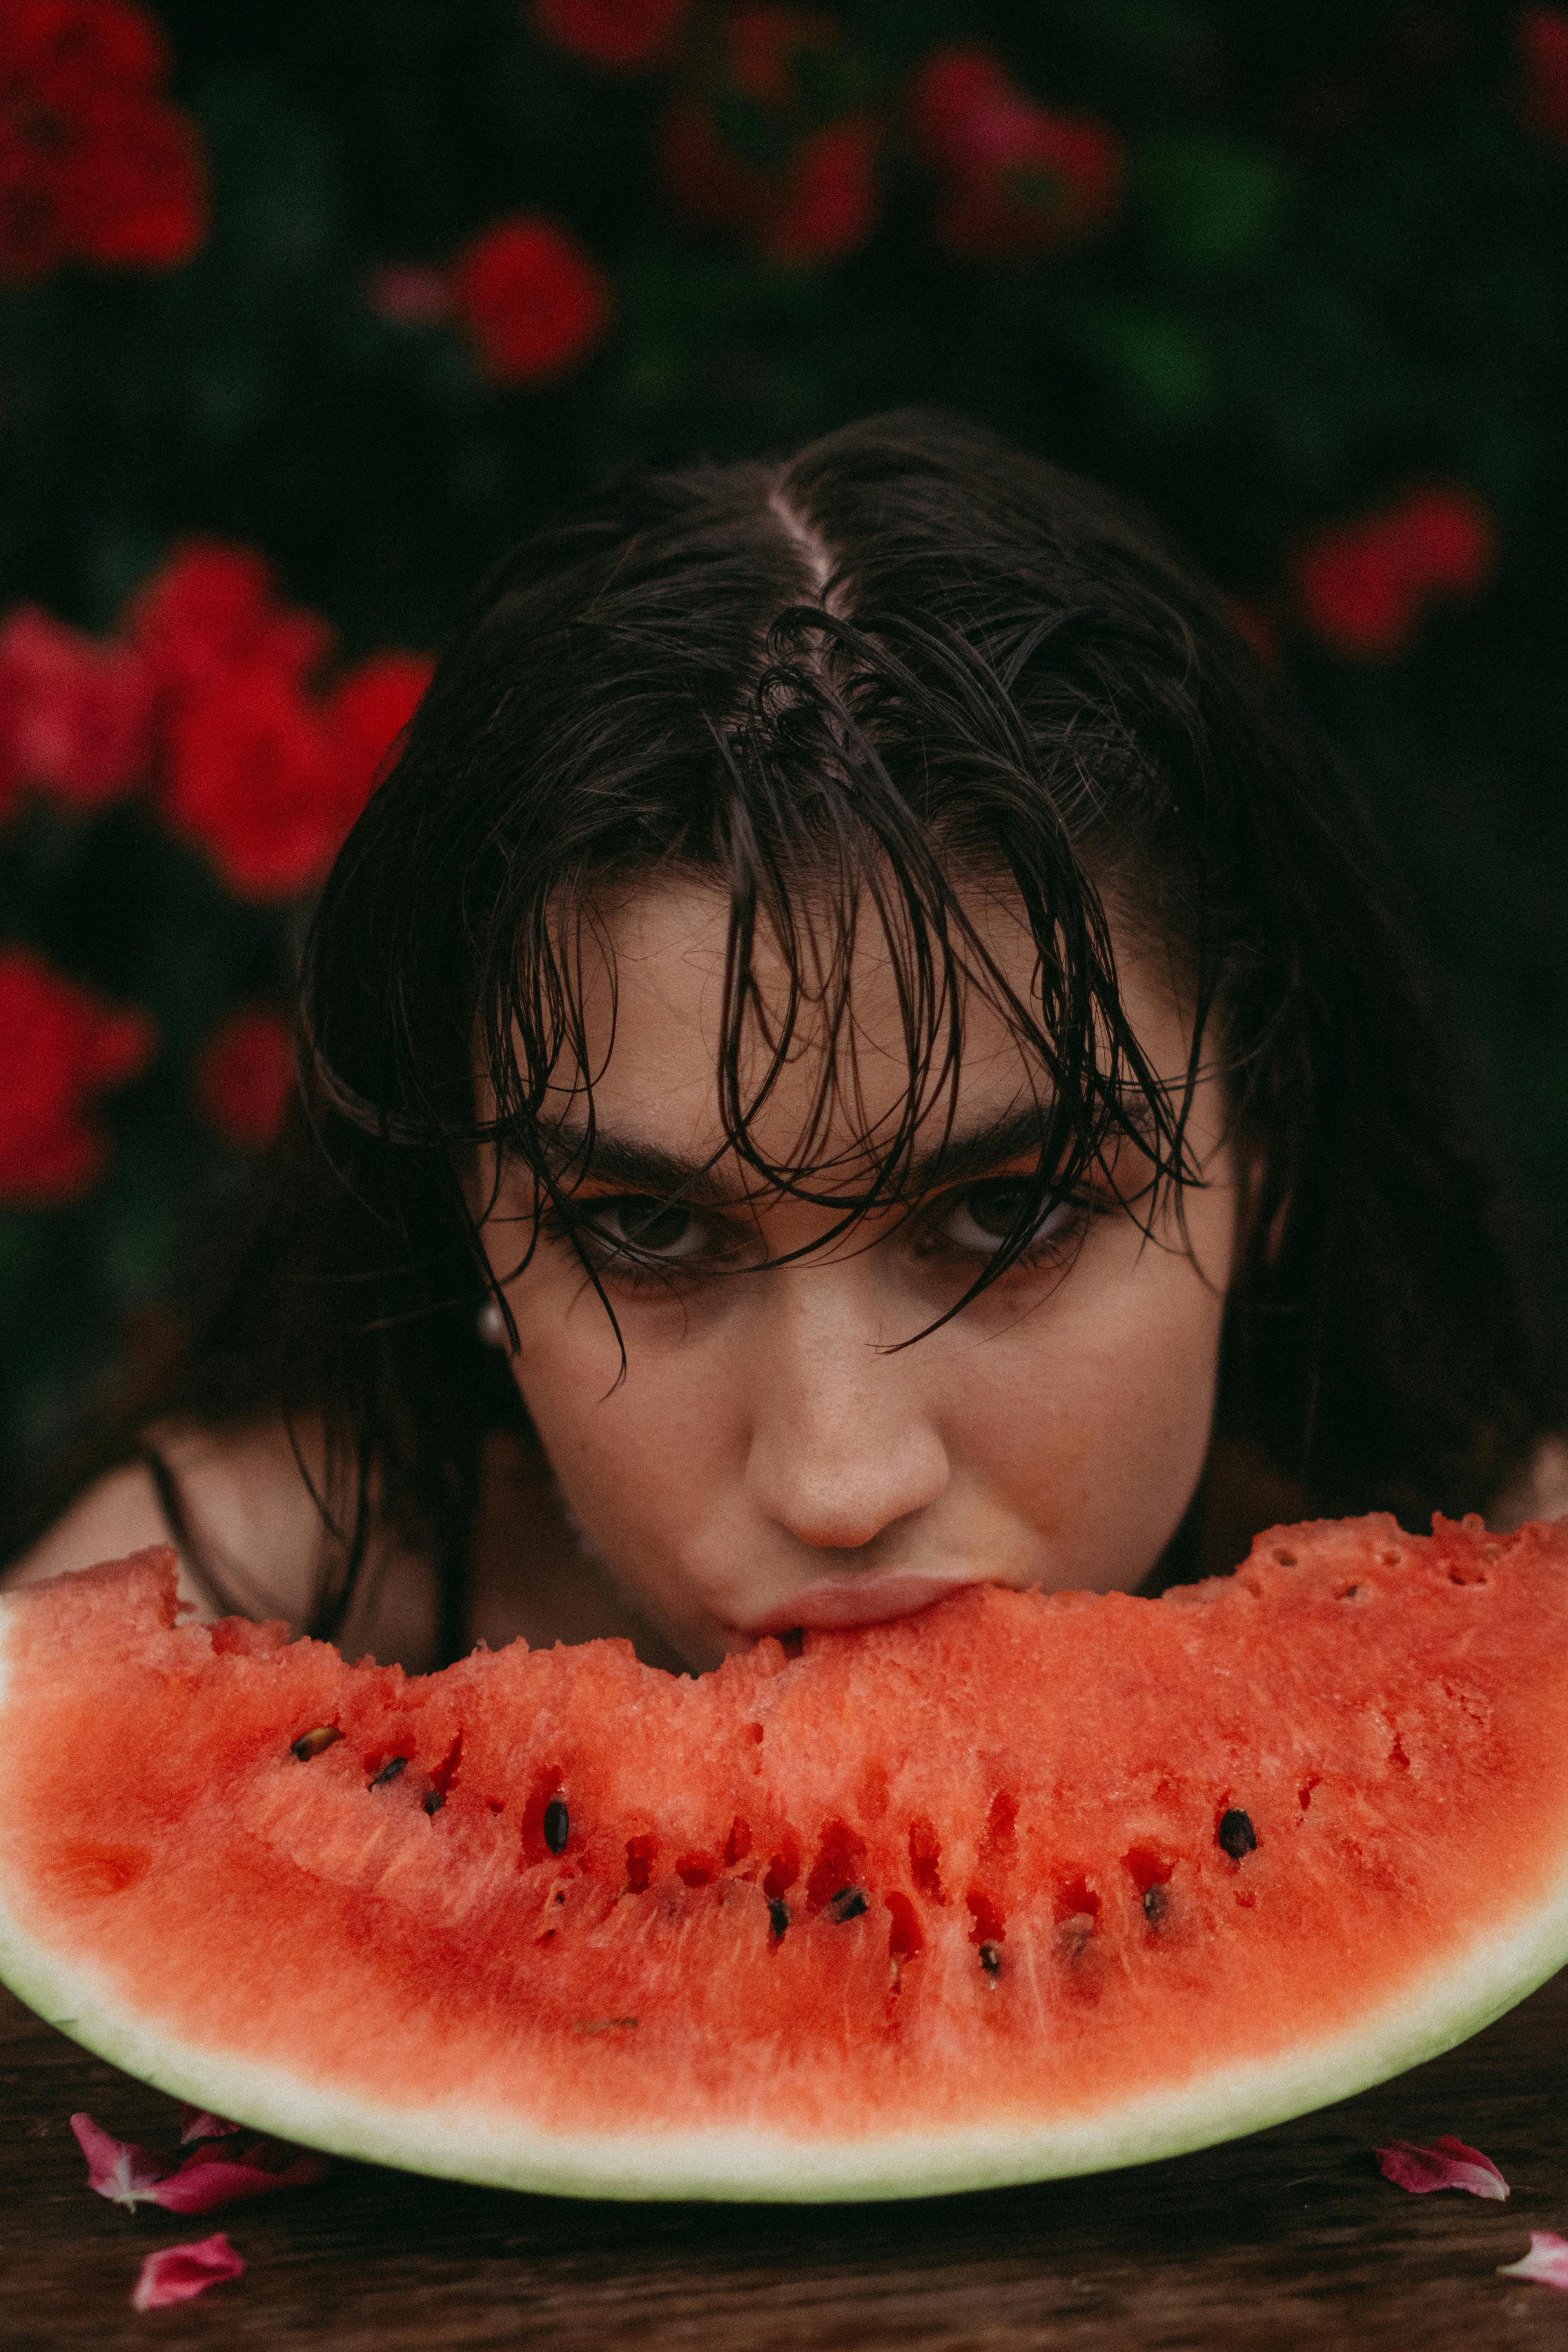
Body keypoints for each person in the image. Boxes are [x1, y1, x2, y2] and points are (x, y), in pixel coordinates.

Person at [5, 411, 1563, 1670]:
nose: (839, 1484)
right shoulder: (229, 1604)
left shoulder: (1508, 1620)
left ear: (1264, 1152)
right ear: (465, 1235)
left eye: (1005, 1210)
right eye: (644, 1228)